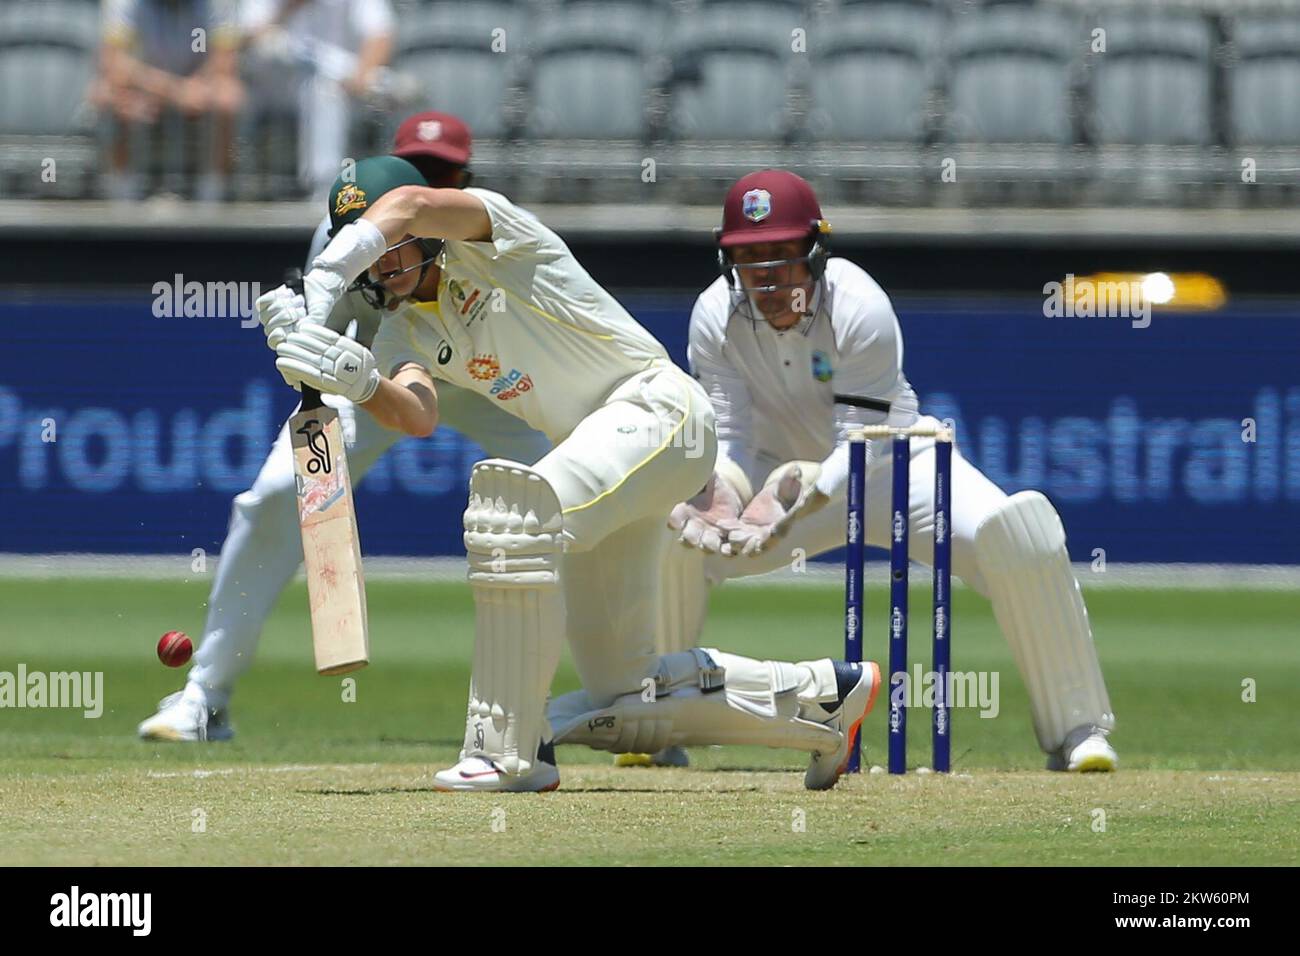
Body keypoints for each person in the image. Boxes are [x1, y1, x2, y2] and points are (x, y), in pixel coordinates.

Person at [254, 155, 882, 791]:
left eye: (386, 247)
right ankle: (824, 695)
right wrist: (354, 378)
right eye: (366, 258)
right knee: (622, 688)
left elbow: (414, 203)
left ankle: (508, 753)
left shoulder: (494, 237)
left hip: (658, 408)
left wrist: (328, 268)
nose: (380, 267)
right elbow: (415, 413)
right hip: (606, 454)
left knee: (515, 519)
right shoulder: (401, 329)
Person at [665, 169, 1118, 772]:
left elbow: (860, 444)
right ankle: (655, 722)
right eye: (750, 260)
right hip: (778, 477)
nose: (768, 280)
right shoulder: (713, 315)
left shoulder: (859, 304)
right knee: (671, 539)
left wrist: (786, 502)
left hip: (897, 469)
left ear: (815, 252)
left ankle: (1079, 731)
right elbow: (732, 434)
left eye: (781, 256)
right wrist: (725, 497)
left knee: (1021, 535)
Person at [138, 112, 550, 742]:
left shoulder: (489, 230)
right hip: (385, 369)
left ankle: (633, 700)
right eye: (420, 172)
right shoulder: (343, 240)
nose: (430, 188)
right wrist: (299, 347)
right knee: (274, 495)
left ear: (463, 179)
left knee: (584, 492)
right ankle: (205, 696)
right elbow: (322, 361)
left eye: (444, 176)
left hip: (497, 378)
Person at [93, 0, 243, 200]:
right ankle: (122, 197)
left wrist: (194, 88)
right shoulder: (124, 3)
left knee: (228, 98)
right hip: (145, 89)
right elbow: (114, 62)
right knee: (106, 95)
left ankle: (212, 196)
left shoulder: (218, 3)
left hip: (197, 87)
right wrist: (174, 91)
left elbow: (224, 62)